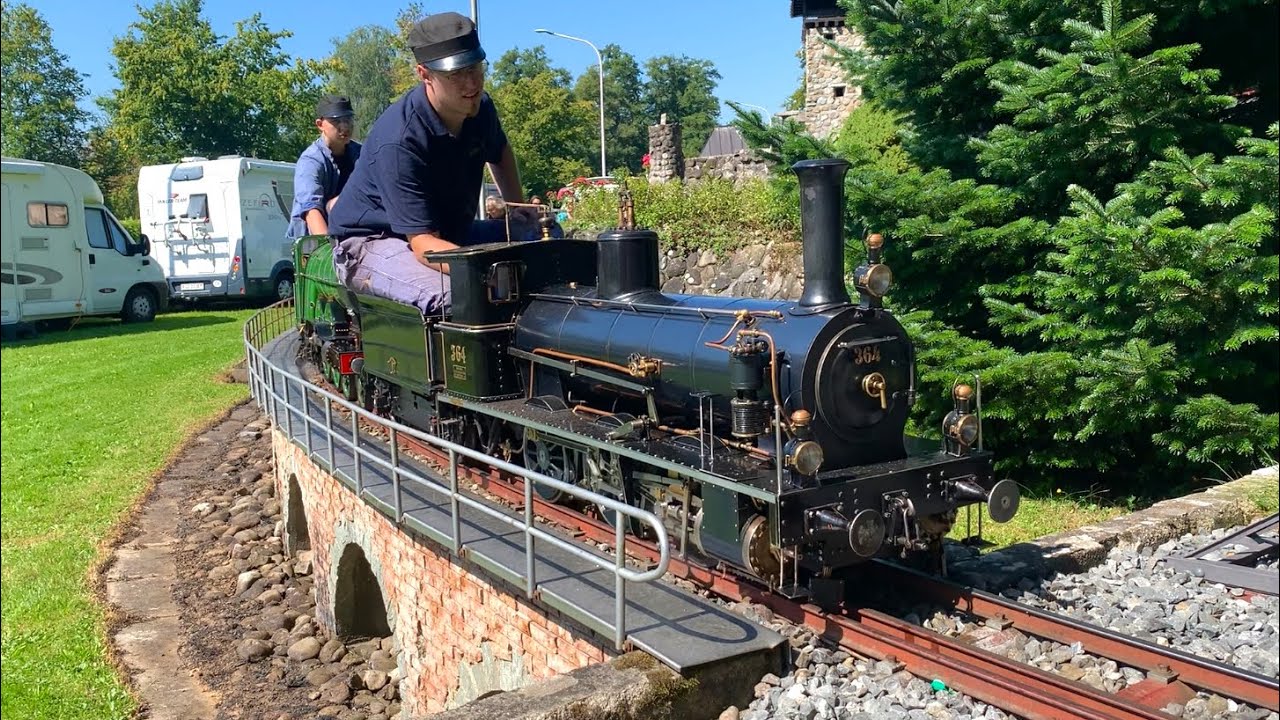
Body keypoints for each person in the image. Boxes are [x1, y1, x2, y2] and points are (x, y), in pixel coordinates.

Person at [327, 12, 526, 315]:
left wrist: (518, 213)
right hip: (371, 242)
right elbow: (423, 245)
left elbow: (500, 153)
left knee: (543, 243)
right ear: (424, 74)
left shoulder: (481, 108)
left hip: (445, 233)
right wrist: (491, 273)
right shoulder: (399, 140)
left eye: (475, 67)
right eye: (455, 73)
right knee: (457, 297)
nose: (471, 82)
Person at [287, 95, 361, 242]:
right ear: (320, 124)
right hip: (316, 243)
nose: (344, 127)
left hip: (355, 235)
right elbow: (311, 209)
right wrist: (328, 251)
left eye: (348, 119)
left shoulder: (363, 154)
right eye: (336, 121)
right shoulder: (311, 160)